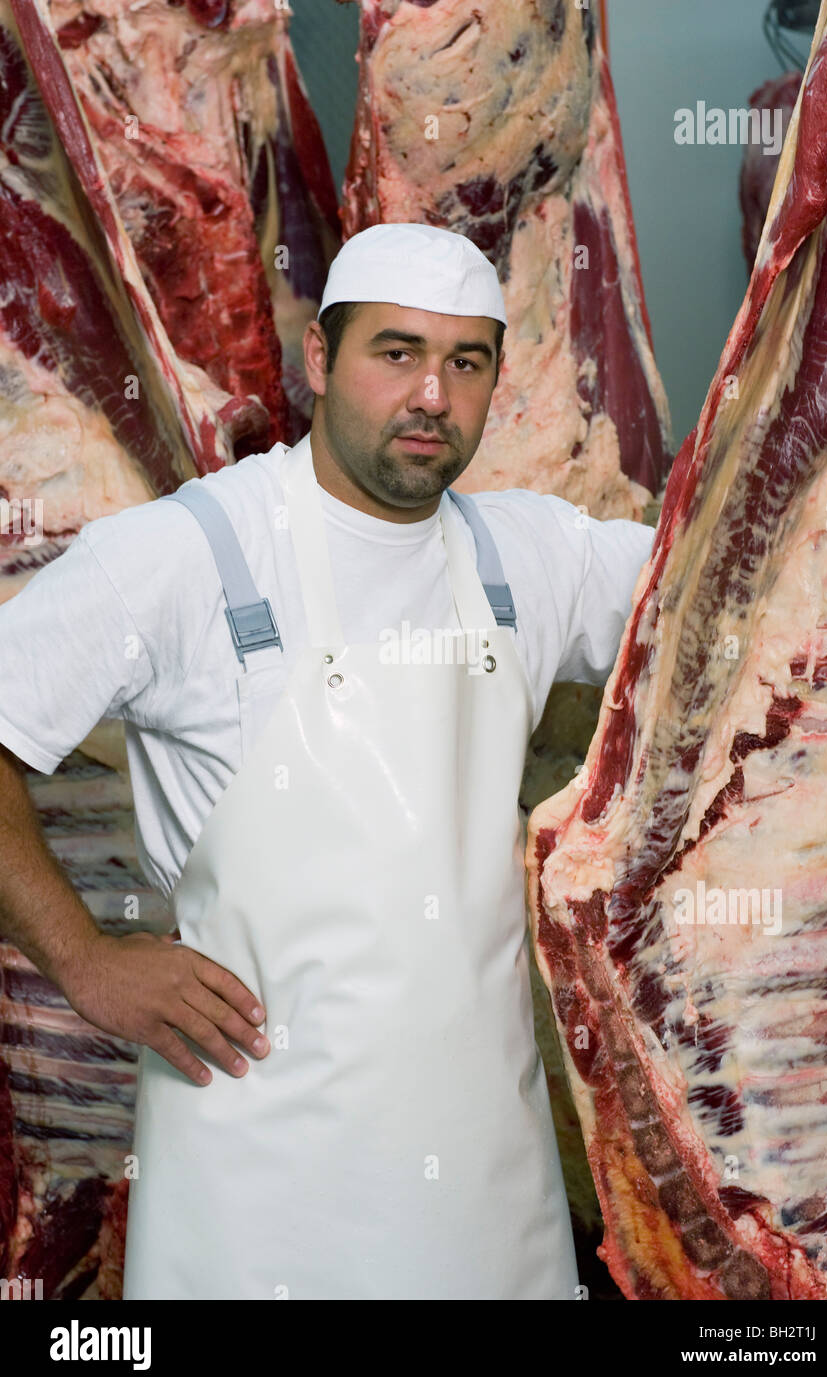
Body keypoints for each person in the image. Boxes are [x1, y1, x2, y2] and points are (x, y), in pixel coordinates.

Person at [0, 222, 655, 1300]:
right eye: (394, 353)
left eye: (465, 361)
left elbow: (726, 575)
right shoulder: (188, 554)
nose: (431, 396)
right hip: (260, 1204)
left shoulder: (529, 556)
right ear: (318, 359)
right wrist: (84, 962)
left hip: (489, 1204)